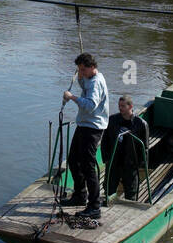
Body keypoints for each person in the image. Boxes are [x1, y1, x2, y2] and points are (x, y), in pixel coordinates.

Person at [61, 52, 109, 219]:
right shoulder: (89, 78)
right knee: (73, 160)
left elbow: (89, 105)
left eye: (82, 69)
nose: (80, 72)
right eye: (79, 70)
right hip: (84, 124)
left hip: (93, 128)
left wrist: (72, 97)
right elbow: (85, 86)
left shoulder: (96, 83)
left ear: (92, 67)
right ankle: (80, 195)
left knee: (88, 167)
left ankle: (94, 206)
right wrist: (81, 77)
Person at [102, 95, 149, 201]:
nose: (120, 108)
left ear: (130, 106)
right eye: (119, 106)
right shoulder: (112, 120)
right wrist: (106, 159)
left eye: (123, 106)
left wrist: (141, 165)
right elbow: (105, 140)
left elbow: (144, 147)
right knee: (109, 188)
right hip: (114, 161)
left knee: (131, 191)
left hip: (130, 163)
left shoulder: (141, 124)